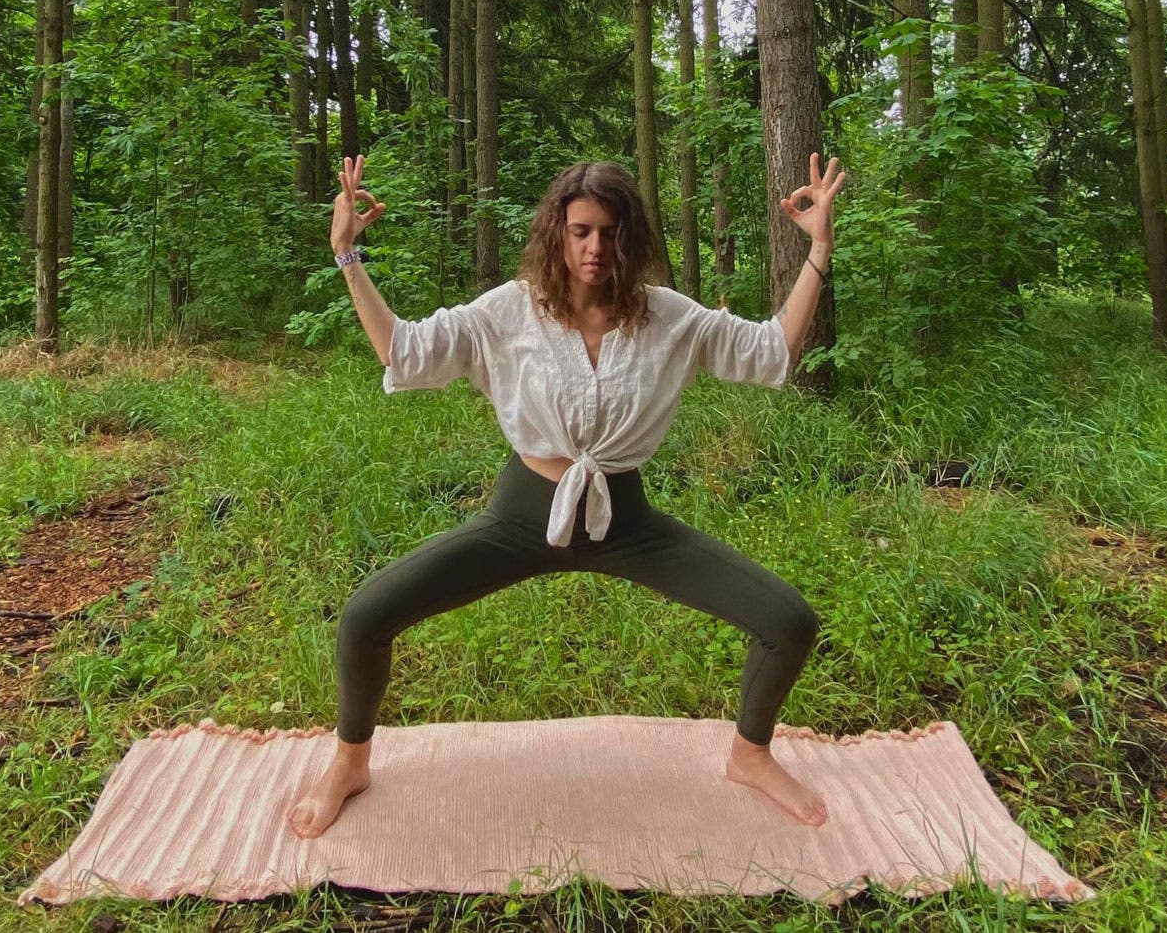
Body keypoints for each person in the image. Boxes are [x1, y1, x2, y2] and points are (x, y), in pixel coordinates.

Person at [286, 154, 846, 839]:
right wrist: (347, 253)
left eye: (609, 232)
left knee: (789, 621)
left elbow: (771, 351)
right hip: (521, 516)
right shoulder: (509, 312)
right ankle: (350, 761)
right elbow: (403, 350)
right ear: (556, 232)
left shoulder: (668, 318)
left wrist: (819, 245)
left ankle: (750, 754)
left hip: (627, 522)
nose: (594, 247)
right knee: (364, 617)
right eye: (580, 230)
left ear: (630, 237)